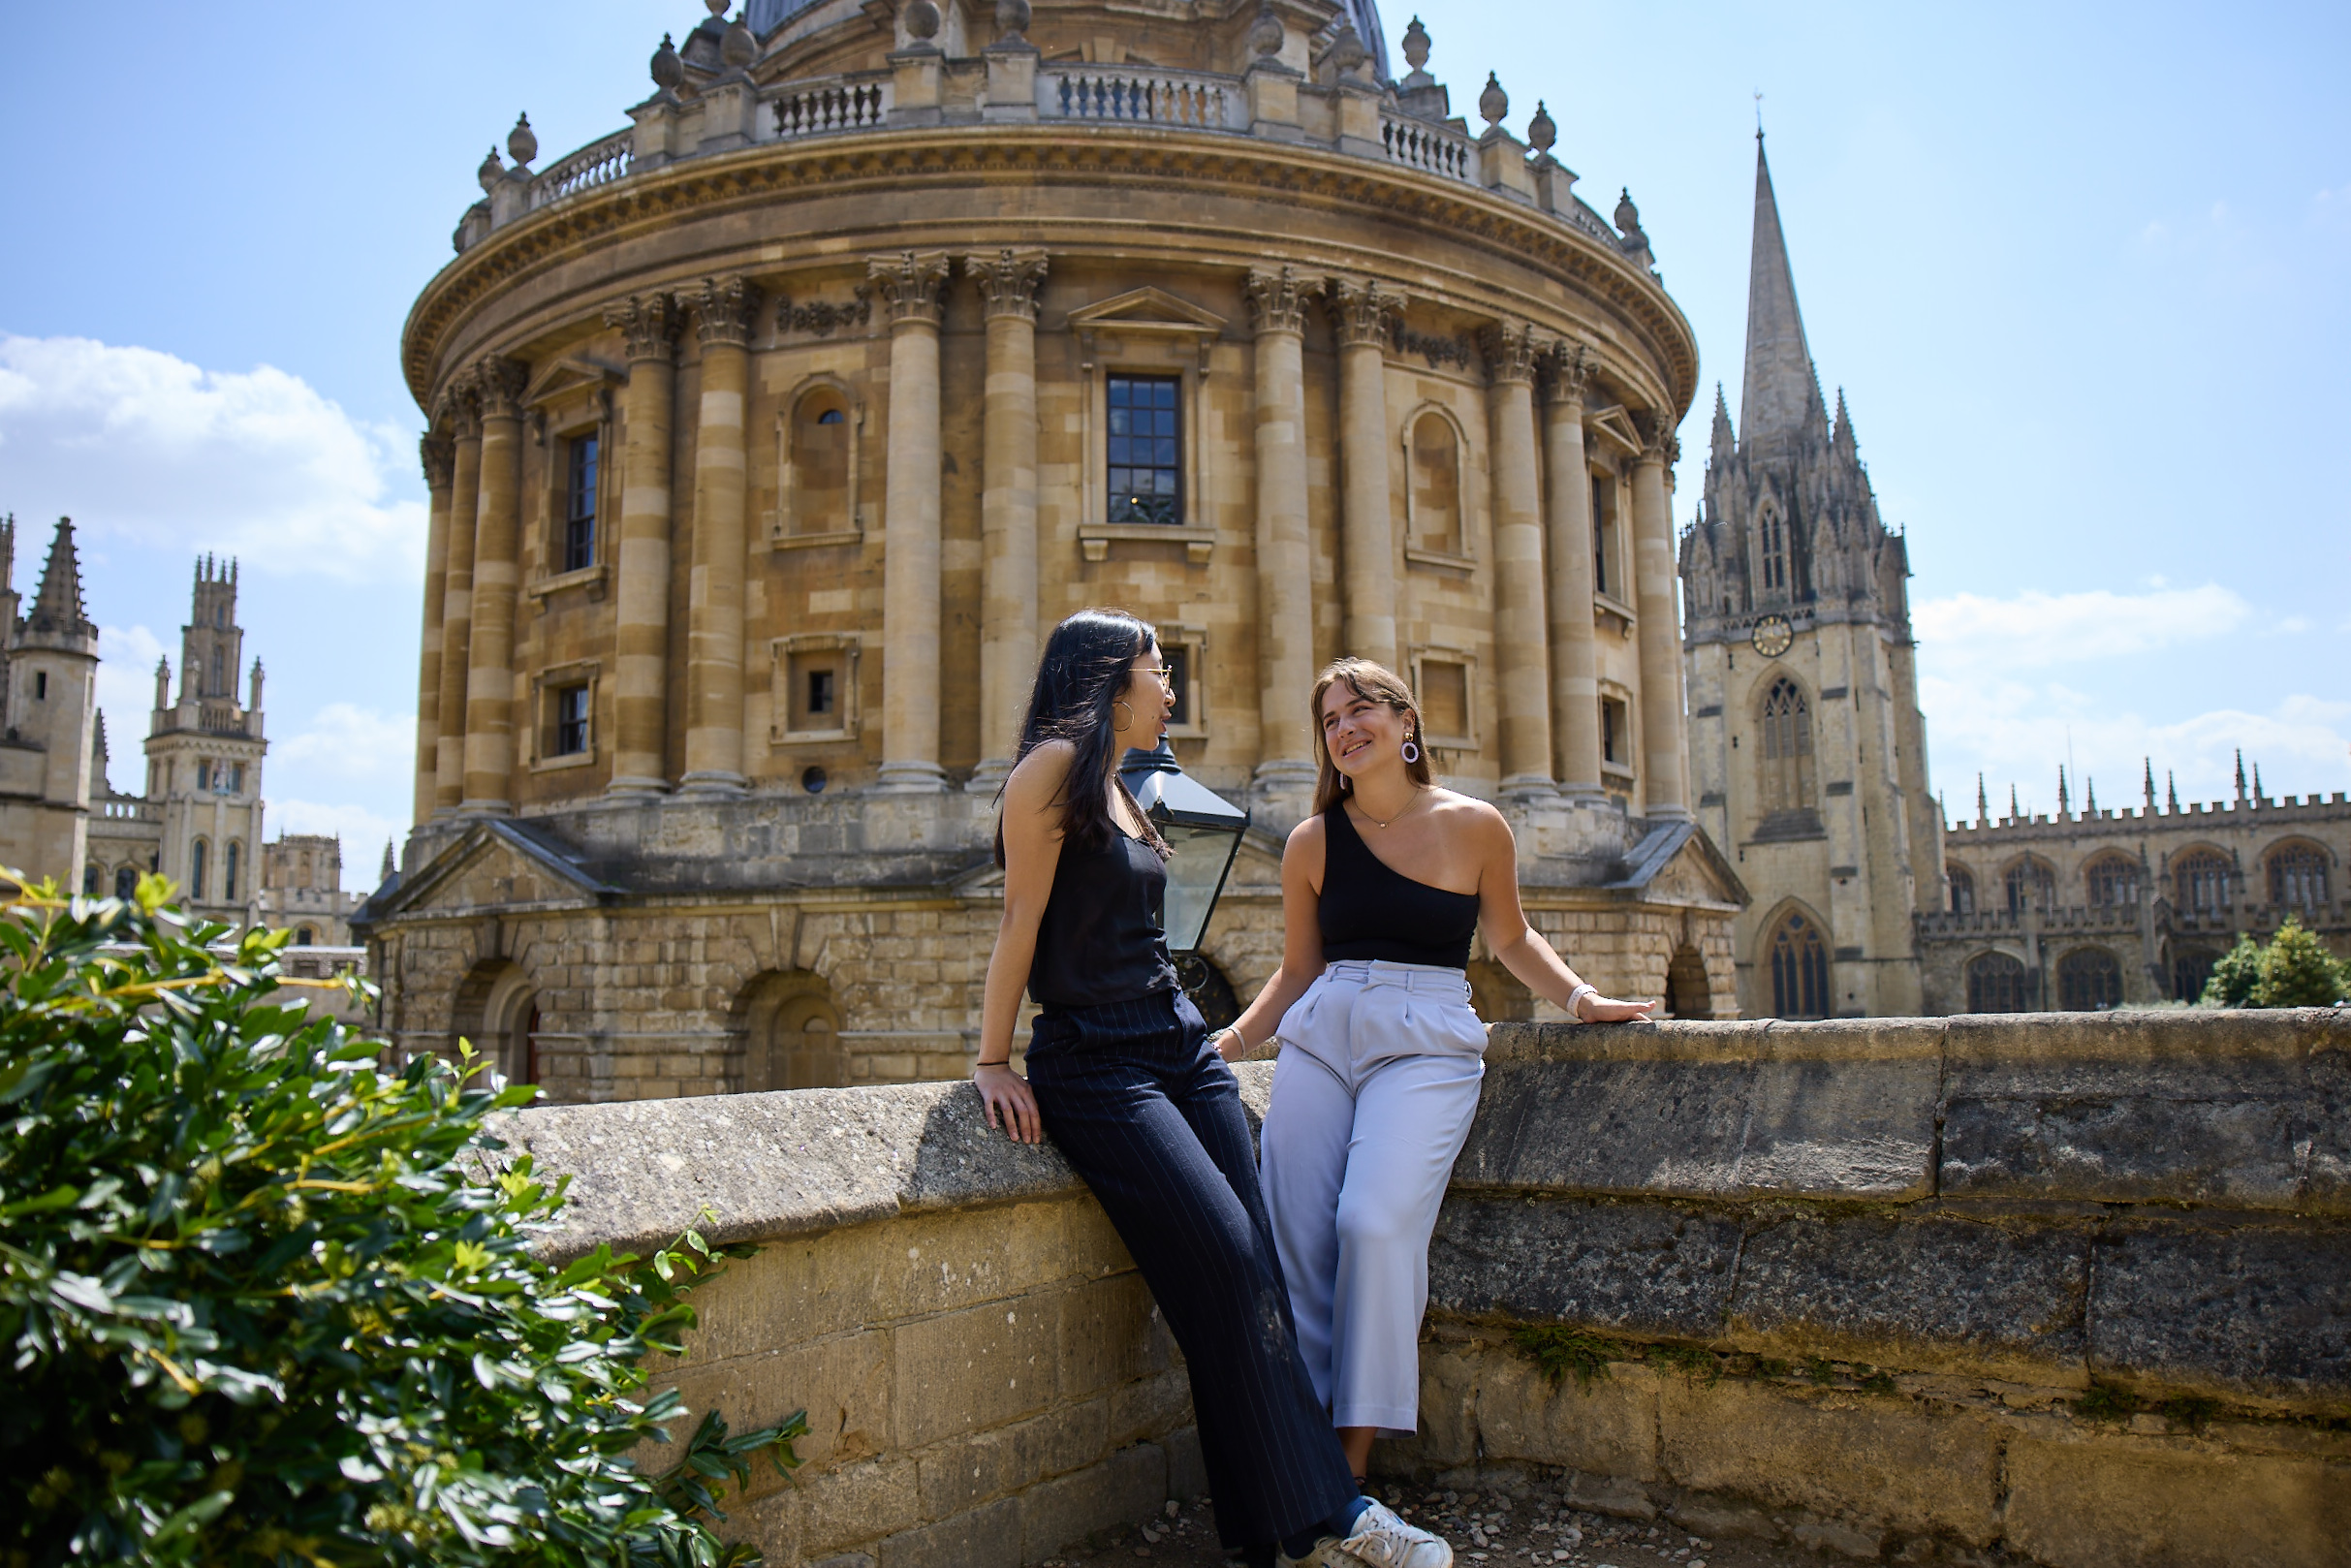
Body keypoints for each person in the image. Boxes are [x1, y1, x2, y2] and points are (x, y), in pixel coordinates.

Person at [973, 614, 1452, 1568]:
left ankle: (1267, 1536)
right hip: (1095, 1061)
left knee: (1255, 1265)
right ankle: (1333, 1518)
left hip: (1179, 1046)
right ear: (1113, 679)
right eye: (1159, 674)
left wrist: (1212, 1036)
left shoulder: (1116, 783)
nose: (1171, 691)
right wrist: (991, 1057)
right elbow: (1020, 922)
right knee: (1228, 1265)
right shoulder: (1048, 773)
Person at [1214, 657, 1655, 1484]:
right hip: (1323, 1035)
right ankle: (1300, 1446)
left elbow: (1511, 939)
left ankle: (1349, 1462)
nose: (1345, 729)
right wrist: (1230, 1043)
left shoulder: (1476, 825)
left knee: (1373, 1224)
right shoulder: (1310, 841)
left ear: (1406, 721)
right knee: (1294, 1231)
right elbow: (1298, 969)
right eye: (1331, 721)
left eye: (1360, 711)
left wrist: (1581, 998)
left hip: (1426, 1038)